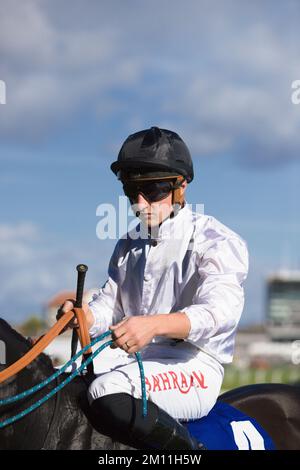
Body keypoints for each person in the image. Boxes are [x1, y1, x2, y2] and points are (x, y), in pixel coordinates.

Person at [59, 126, 249, 450]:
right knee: (65, 385)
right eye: (132, 192)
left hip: (195, 365)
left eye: (154, 190)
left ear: (181, 186)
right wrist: (86, 317)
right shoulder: (128, 245)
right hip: (139, 362)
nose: (141, 203)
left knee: (105, 391)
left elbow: (220, 314)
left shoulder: (217, 241)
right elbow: (111, 304)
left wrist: (154, 325)